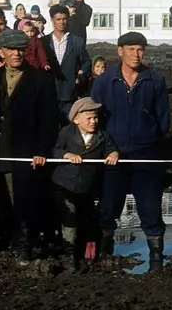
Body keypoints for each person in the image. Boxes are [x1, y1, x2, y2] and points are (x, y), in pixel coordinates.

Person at [0, 30, 59, 265]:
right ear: (1, 52)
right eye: (12, 50)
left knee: (24, 198)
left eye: (21, 49)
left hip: (24, 152)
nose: (17, 54)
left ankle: (23, 243)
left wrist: (41, 150)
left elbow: (49, 120)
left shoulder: (41, 80)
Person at [91, 32, 170, 271]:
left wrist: (149, 141)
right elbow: (94, 118)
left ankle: (156, 260)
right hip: (112, 156)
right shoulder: (104, 81)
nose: (136, 54)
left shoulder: (155, 80)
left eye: (140, 49)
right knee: (107, 208)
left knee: (151, 209)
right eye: (131, 49)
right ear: (120, 51)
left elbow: (163, 119)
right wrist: (108, 147)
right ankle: (105, 256)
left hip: (146, 155)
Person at [51, 97, 119, 270]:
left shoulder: (102, 136)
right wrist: (66, 155)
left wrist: (114, 155)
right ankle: (69, 257)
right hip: (64, 184)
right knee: (69, 218)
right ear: (76, 119)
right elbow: (55, 149)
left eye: (95, 117)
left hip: (87, 187)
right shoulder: (66, 133)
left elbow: (111, 148)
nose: (93, 121)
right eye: (89, 118)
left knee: (86, 218)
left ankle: (88, 253)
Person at [42, 5, 91, 126]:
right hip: (49, 94)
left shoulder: (77, 41)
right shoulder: (44, 42)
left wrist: (80, 77)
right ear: (52, 20)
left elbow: (87, 62)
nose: (61, 22)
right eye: (58, 19)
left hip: (69, 94)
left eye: (64, 19)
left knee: (68, 129)